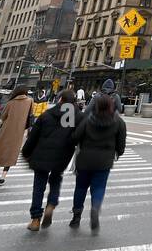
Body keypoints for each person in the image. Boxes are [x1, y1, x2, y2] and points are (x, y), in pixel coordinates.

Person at [21, 90, 77, 232]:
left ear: (59, 100)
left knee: (38, 186)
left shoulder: (46, 115)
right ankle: (51, 206)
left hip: (41, 156)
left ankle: (35, 220)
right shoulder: (73, 118)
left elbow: (33, 137)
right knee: (56, 181)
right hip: (61, 158)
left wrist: (26, 152)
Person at [70, 92, 126, 231]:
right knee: (99, 188)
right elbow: (121, 145)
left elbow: (75, 137)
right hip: (104, 162)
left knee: (80, 188)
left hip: (84, 160)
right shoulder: (119, 122)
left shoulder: (88, 120)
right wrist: (117, 153)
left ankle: (76, 218)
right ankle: (95, 208)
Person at [0, 87, 33, 185]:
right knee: (11, 154)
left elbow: (3, 116)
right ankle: (3, 177)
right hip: (18, 132)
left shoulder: (10, 102)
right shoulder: (30, 101)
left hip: (6, 130)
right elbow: (30, 115)